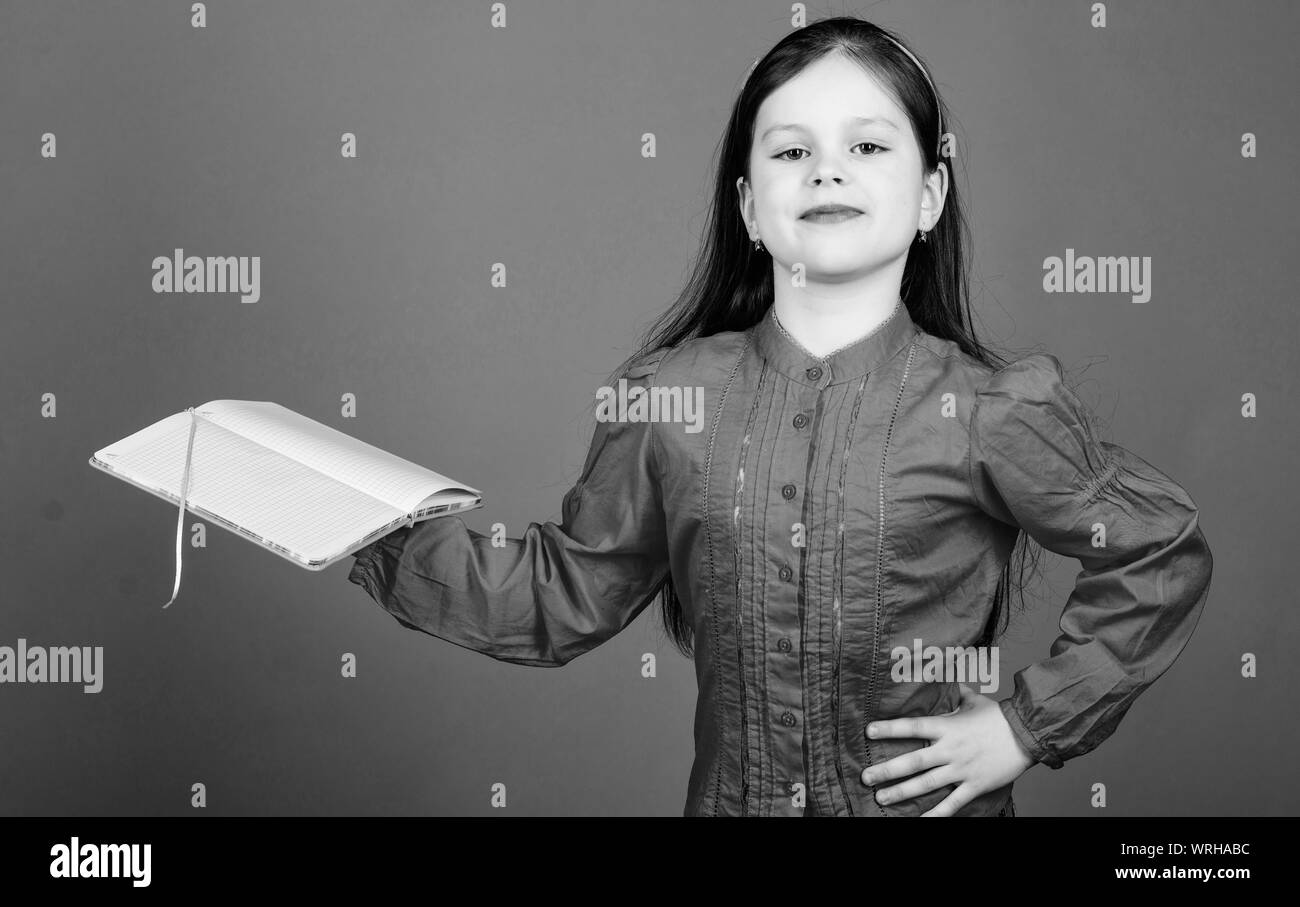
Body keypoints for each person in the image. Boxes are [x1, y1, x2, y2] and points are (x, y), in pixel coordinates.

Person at [347, 16, 1213, 817]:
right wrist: (345, 518)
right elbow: (558, 593)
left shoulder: (990, 406)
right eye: (790, 151)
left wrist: (1027, 726)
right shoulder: (668, 399)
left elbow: (1158, 544)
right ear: (751, 208)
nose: (827, 170)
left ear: (930, 197)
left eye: (868, 145)